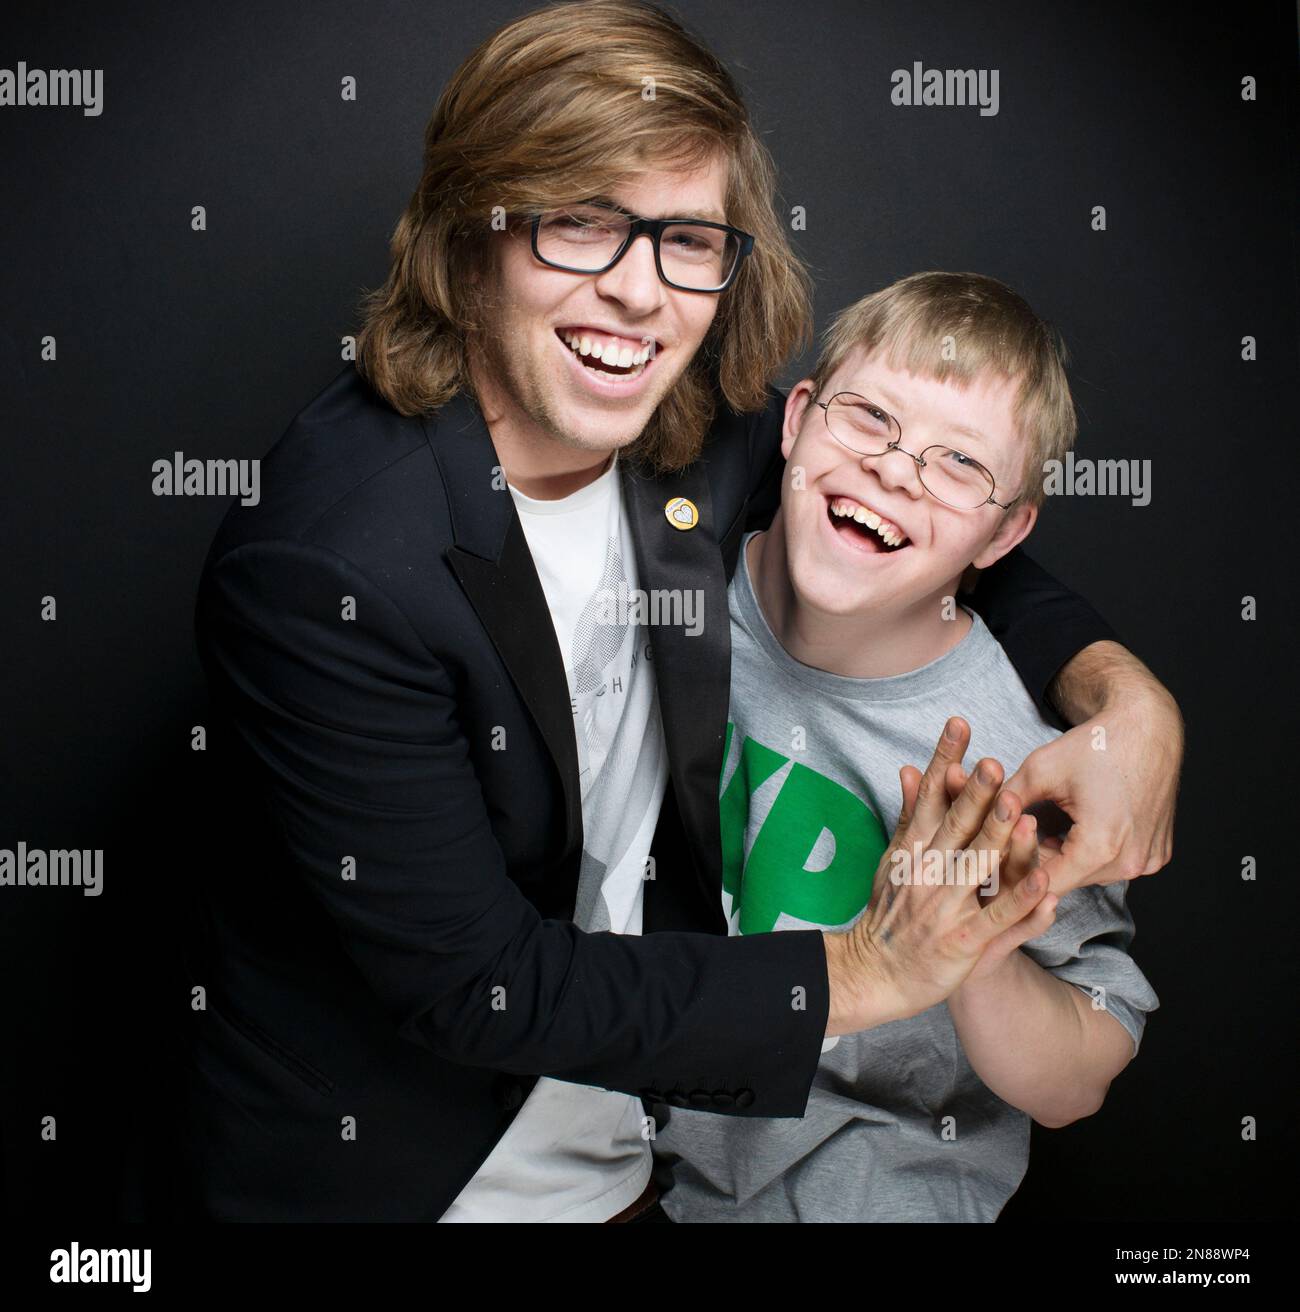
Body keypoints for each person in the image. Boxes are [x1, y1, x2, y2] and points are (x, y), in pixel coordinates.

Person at [178, 1, 1182, 1222]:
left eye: (686, 240)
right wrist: (872, 967)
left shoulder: (686, 426)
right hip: (415, 1180)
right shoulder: (325, 569)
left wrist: (1130, 704)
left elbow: (928, 527)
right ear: (470, 232)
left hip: (639, 1162)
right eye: (579, 223)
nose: (636, 293)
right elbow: (481, 988)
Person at [651, 271, 1160, 1221]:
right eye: (870, 417)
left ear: (1004, 533)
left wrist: (975, 949)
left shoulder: (1018, 761)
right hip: (622, 1153)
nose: (894, 470)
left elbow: (1080, 1079)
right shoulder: (670, 583)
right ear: (796, 420)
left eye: (960, 463)